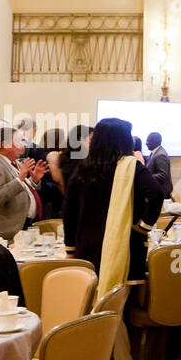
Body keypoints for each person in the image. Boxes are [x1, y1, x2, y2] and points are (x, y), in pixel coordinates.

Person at [62, 117, 164, 287]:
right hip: (126, 245)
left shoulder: (83, 168)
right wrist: (144, 225)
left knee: (91, 298)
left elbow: (69, 212)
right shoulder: (132, 167)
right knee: (123, 302)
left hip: (88, 244)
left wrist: (70, 248)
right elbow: (156, 193)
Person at [0, 124, 46, 242]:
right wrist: (20, 178)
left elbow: (20, 189)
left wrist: (34, 180)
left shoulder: (12, 162)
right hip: (3, 235)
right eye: (19, 141)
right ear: (4, 144)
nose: (24, 145)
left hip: (18, 229)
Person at [145, 130, 173, 199]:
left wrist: (146, 177)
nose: (146, 143)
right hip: (157, 191)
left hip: (161, 192)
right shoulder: (154, 152)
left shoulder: (160, 155)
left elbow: (162, 175)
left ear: (156, 142)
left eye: (148, 141)